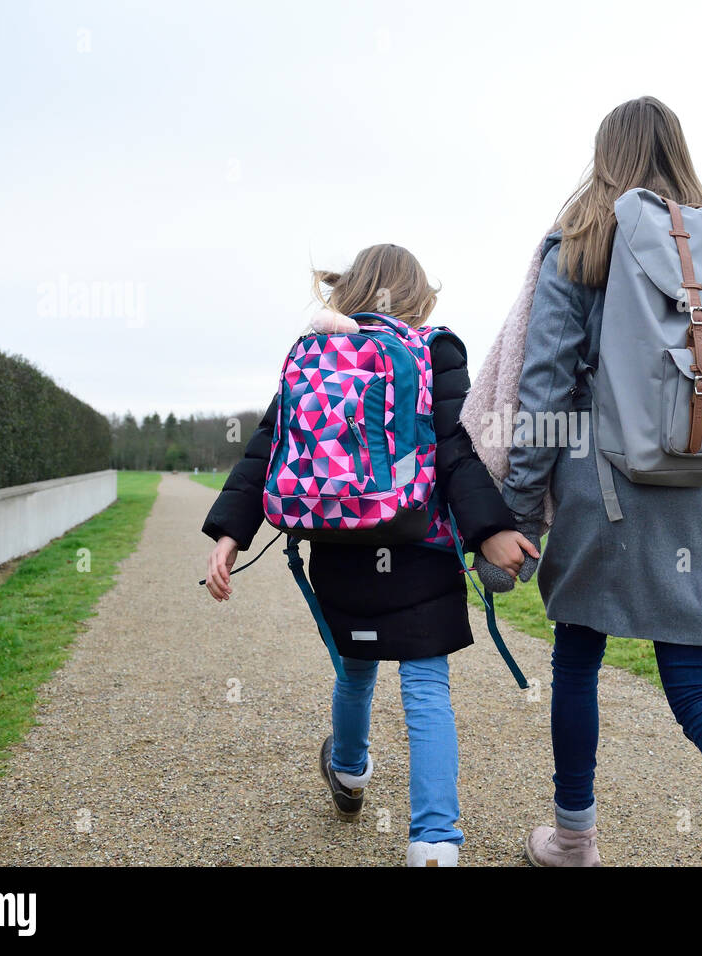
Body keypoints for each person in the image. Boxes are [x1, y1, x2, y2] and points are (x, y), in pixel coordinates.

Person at [501, 97, 702, 867]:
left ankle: (574, 838)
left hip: (602, 487)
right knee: (698, 687)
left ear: (604, 153)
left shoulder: (584, 239)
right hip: (699, 484)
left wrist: (520, 507)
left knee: (577, 658)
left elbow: (546, 385)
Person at [201, 244, 538, 867]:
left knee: (354, 672)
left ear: (350, 292)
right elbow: (453, 447)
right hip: (420, 548)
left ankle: (351, 772)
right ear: (419, 296)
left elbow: (266, 447)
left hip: (338, 548)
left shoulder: (317, 355)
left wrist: (230, 534)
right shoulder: (434, 349)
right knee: (427, 689)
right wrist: (487, 529)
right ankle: (434, 841)